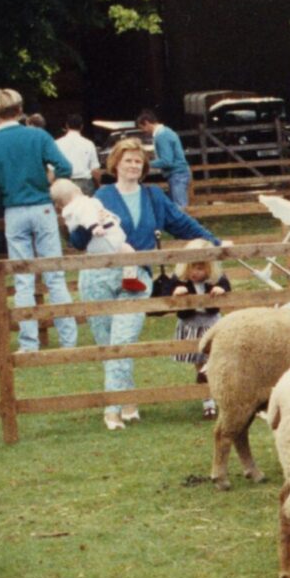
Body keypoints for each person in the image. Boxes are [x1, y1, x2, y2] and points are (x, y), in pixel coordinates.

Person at [66, 138, 222, 430]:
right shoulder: (100, 195)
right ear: (116, 164)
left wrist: (214, 242)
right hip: (97, 277)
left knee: (122, 343)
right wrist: (86, 225)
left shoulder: (153, 196)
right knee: (106, 344)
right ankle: (128, 400)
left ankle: (112, 409)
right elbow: (77, 241)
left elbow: (182, 223)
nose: (134, 165)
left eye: (139, 161)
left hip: (135, 277)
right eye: (128, 160)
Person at [0, 87, 77, 353]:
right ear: (20, 109)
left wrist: (6, 195)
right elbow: (65, 167)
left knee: (22, 280)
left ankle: (29, 343)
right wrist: (47, 184)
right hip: (42, 206)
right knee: (54, 274)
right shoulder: (37, 135)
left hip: (14, 211)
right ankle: (69, 341)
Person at [170, 258, 233, 418]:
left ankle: (223, 396)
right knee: (199, 362)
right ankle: (208, 402)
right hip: (190, 323)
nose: (194, 273)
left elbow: (226, 285)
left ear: (209, 269)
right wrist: (177, 291)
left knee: (216, 359)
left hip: (210, 322)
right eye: (191, 268)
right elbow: (167, 288)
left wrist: (221, 289)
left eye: (199, 269)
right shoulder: (180, 280)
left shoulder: (216, 279)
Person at [138, 109, 192, 209]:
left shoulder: (161, 136)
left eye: (142, 128)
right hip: (179, 173)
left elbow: (167, 161)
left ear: (147, 123)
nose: (144, 132)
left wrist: (147, 164)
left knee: (180, 207)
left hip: (177, 174)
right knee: (176, 206)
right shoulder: (166, 132)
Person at [56, 116, 102, 195]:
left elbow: (52, 169)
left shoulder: (58, 143)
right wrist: (99, 185)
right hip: (85, 184)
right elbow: (95, 170)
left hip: (64, 184)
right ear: (82, 127)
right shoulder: (88, 144)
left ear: (67, 125)